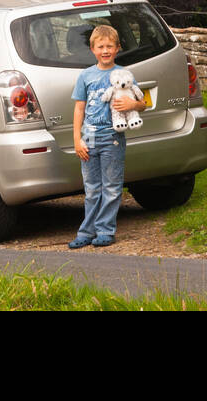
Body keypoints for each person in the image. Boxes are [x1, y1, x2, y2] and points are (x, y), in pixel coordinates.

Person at [68, 23, 146, 249]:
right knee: (92, 189)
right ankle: (86, 232)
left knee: (111, 187)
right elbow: (79, 109)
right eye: (100, 46)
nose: (105, 51)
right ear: (93, 49)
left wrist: (134, 104)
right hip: (89, 138)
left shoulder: (124, 74)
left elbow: (143, 103)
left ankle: (105, 231)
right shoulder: (85, 76)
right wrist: (76, 139)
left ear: (118, 48)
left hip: (113, 136)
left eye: (110, 46)